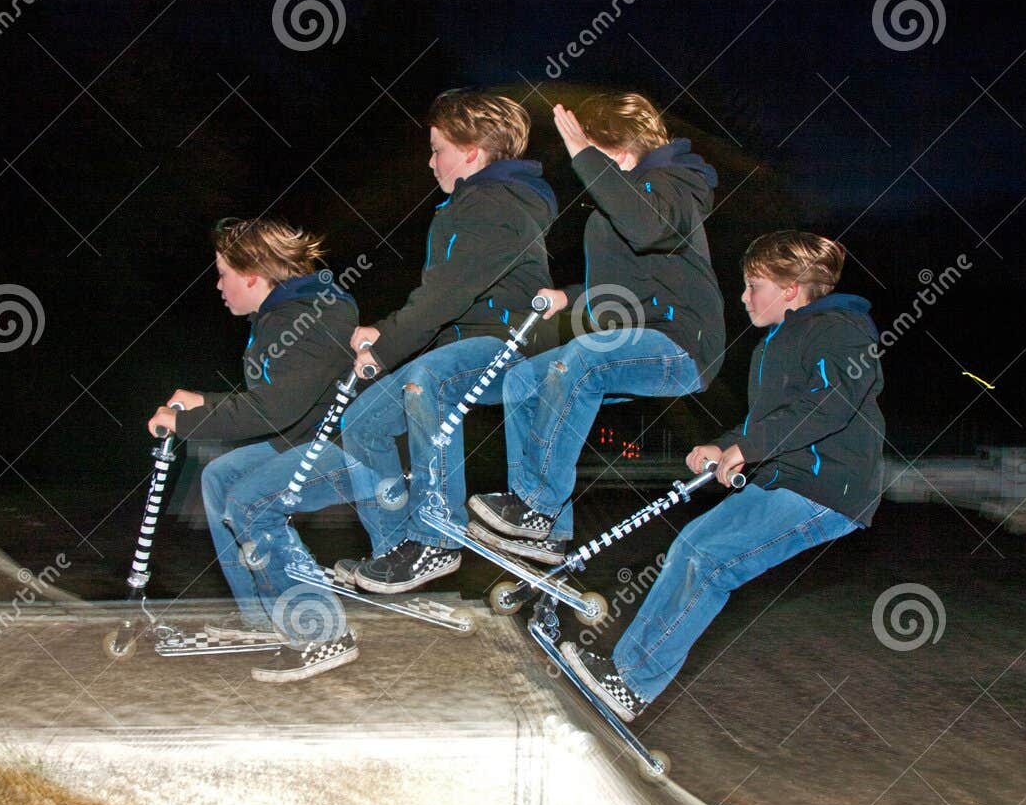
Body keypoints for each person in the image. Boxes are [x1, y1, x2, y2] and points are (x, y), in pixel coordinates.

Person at [556, 231, 885, 721]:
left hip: (825, 486)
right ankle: (626, 676)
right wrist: (727, 443)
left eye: (754, 286)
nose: (744, 297)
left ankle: (632, 682)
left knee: (708, 558)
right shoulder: (778, 341)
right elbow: (769, 419)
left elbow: (830, 403)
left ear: (791, 288)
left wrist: (749, 448)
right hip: (787, 479)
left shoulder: (839, 329)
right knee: (693, 545)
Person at [466, 92, 725, 564]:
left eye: (597, 159)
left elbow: (648, 227)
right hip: (636, 338)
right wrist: (571, 296)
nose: (590, 178)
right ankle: (546, 532)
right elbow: (626, 290)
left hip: (682, 345)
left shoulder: (675, 182)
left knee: (582, 359)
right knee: (523, 379)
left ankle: (537, 506)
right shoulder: (624, 204)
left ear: (620, 154)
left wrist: (584, 153)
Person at [147, 217, 394, 682]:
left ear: (252, 275)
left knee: (251, 500)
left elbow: (272, 411)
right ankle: (264, 617)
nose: (218, 285)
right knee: (220, 477)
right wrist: (205, 403)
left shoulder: (307, 318)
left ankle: (320, 632)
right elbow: (280, 401)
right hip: (313, 439)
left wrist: (187, 421)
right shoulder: (282, 315)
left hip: (357, 450)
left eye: (223, 273)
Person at [339, 89, 557, 594]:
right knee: (364, 421)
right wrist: (386, 332)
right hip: (465, 345)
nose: (430, 160)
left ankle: (435, 536)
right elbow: (442, 297)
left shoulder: (494, 204)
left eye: (438, 149)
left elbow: (444, 296)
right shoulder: (466, 205)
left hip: (511, 346)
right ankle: (394, 547)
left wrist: (385, 346)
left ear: (472, 153)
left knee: (428, 379)